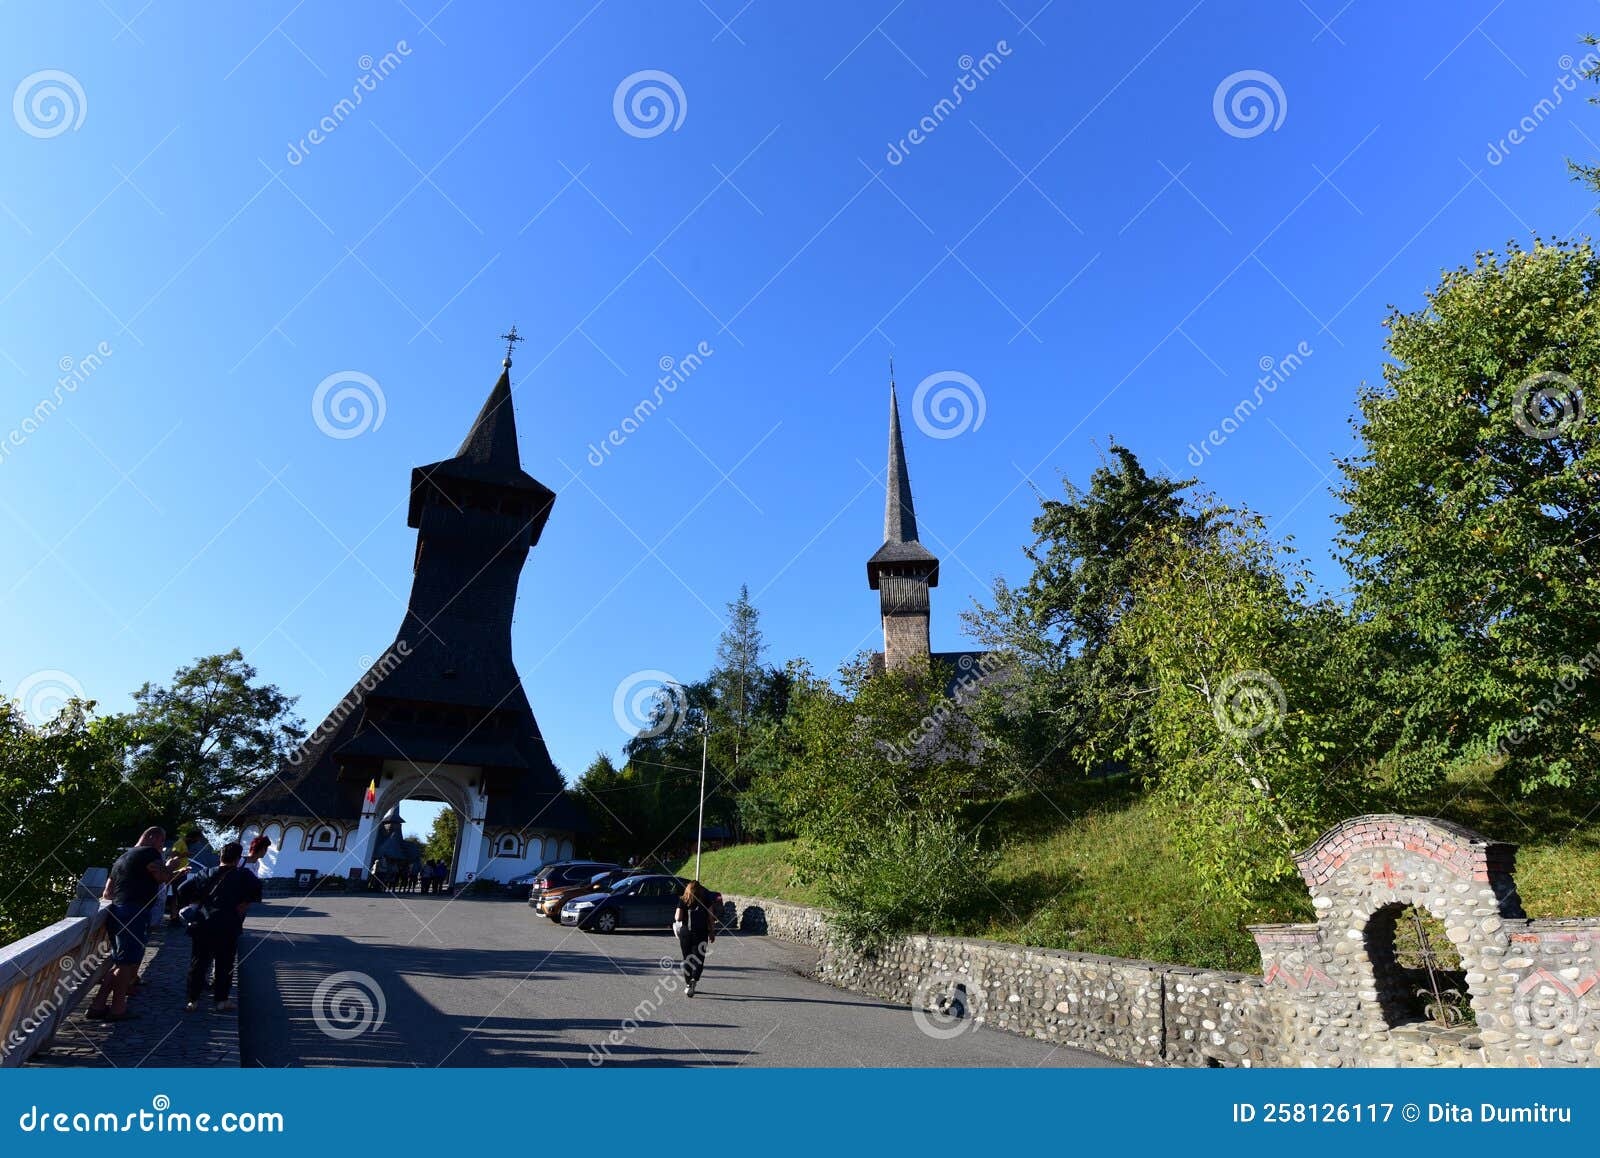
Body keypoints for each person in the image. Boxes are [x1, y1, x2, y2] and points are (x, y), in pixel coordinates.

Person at [87, 827, 190, 1021]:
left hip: (117, 911)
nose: (162, 847)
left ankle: (97, 1005)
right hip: (134, 912)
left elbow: (108, 892)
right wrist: (171, 865)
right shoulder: (149, 853)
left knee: (120, 961)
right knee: (127, 963)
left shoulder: (123, 858)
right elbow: (162, 877)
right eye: (161, 842)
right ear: (151, 837)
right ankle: (118, 1009)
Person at [178, 841, 262, 1013]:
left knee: (198, 962)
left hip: (203, 924)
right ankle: (221, 1001)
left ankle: (192, 1000)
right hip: (228, 924)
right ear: (238, 858)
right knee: (225, 963)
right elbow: (257, 889)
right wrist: (244, 903)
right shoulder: (244, 875)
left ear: (220, 856)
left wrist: (194, 902)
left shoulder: (205, 872)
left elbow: (181, 889)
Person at [674, 880, 719, 998]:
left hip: (686, 933)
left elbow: (678, 917)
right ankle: (695, 978)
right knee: (699, 958)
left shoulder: (683, 899)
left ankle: (688, 983)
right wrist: (712, 932)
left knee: (687, 958)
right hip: (701, 932)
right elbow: (711, 917)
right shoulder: (706, 900)